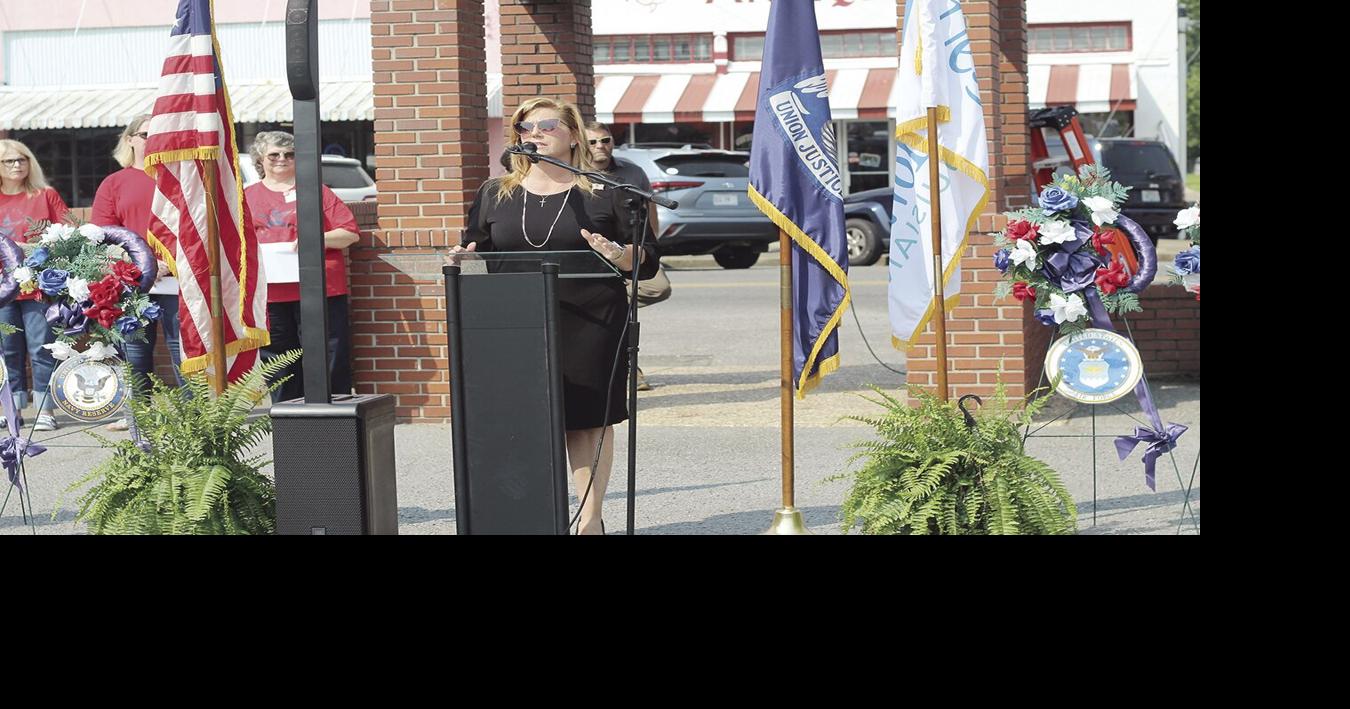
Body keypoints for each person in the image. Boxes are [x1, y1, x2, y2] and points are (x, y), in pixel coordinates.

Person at [448, 98, 660, 535]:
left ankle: (590, 519)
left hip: (591, 320)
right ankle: (527, 517)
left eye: (547, 125)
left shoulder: (605, 193)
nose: (535, 134)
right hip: (515, 324)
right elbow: (476, 247)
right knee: (521, 422)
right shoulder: (495, 193)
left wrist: (620, 254)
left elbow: (649, 259)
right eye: (525, 128)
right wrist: (463, 258)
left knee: (585, 422)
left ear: (573, 134)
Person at [244, 131, 360, 402]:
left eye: (289, 155)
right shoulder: (247, 196)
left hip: (320, 289)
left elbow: (350, 234)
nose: (282, 159)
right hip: (271, 293)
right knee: (278, 359)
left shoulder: (316, 191)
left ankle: (334, 414)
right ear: (261, 159)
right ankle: (288, 416)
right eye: (274, 154)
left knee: (327, 353)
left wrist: (316, 238)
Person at [90, 114, 184, 431]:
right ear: (130, 139)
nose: (152, 140)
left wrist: (169, 264)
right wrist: (140, 266)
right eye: (146, 134)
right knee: (134, 351)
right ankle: (136, 415)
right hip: (132, 280)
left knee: (181, 350)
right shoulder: (114, 183)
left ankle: (192, 416)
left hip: (176, 278)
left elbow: (195, 229)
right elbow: (103, 235)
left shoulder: (181, 179)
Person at [583, 121, 672, 391]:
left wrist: (650, 246)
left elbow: (649, 208)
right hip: (592, 256)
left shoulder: (631, 172)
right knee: (614, 315)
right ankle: (630, 369)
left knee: (659, 287)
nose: (601, 146)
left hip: (629, 252)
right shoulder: (575, 174)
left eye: (606, 140)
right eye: (593, 142)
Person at [0, 139, 68, 431]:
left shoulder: (46, 195)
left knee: (41, 347)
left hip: (37, 286)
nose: (17, 165)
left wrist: (34, 248)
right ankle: (11, 408)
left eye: (22, 159)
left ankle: (44, 409)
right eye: (9, 161)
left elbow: (69, 235)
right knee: (8, 349)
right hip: (2, 290)